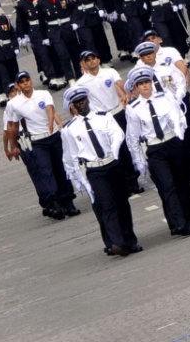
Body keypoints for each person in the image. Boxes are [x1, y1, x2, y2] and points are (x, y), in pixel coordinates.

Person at [60, 86, 141, 256]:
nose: (81, 104)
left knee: (122, 203)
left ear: (88, 100)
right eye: (77, 102)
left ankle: (129, 241)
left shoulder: (103, 117)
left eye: (83, 100)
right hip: (94, 170)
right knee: (107, 204)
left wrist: (114, 148)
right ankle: (116, 242)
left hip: (112, 163)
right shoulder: (69, 129)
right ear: (72, 105)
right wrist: (78, 180)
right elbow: (70, 157)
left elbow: (117, 134)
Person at [122, 66, 190, 236]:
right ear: (136, 87)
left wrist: (180, 132)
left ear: (151, 82)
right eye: (140, 84)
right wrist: (138, 160)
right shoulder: (133, 108)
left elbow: (179, 117)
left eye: (146, 82)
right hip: (155, 148)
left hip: (172, 141)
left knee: (183, 183)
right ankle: (179, 223)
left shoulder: (165, 96)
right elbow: (133, 137)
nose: (144, 86)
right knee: (167, 185)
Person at [3, 72, 76, 218]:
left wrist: (50, 121)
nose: (26, 83)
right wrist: (13, 146)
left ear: (31, 81)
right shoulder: (14, 104)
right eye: (22, 82)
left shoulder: (43, 94)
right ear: (17, 85)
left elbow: (50, 109)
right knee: (45, 171)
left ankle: (68, 201)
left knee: (61, 169)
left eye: (27, 80)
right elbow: (12, 127)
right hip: (37, 141)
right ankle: (55, 203)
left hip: (53, 136)